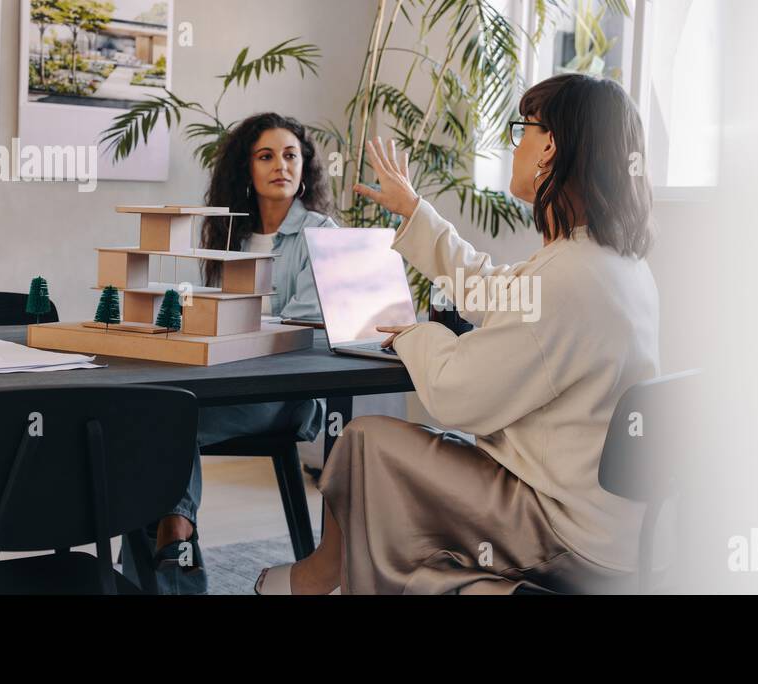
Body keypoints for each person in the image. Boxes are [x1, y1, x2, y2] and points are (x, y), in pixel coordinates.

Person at [255, 73, 659, 595]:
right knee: (383, 449)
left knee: (364, 443)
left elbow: (456, 393)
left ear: (551, 147)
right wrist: (415, 212)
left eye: (523, 130)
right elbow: (493, 293)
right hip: (605, 528)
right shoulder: (614, 265)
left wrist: (413, 335)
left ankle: (326, 575)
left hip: (560, 530)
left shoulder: (566, 278)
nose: (516, 146)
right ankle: (341, 573)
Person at [121, 113, 336, 594]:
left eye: (290, 155)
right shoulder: (229, 234)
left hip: (285, 392)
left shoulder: (321, 233)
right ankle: (164, 552)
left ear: (304, 166)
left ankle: (174, 540)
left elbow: (309, 322)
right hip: (227, 384)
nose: (281, 165)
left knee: (167, 421)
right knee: (144, 417)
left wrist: (238, 323)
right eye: (266, 156)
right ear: (246, 168)